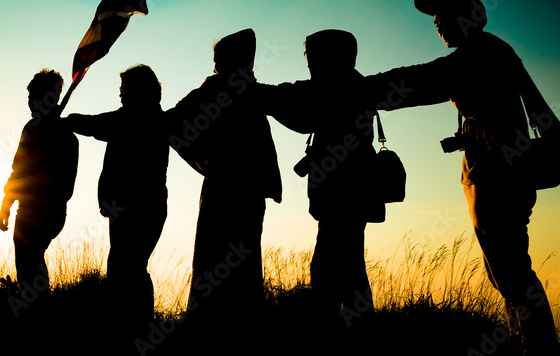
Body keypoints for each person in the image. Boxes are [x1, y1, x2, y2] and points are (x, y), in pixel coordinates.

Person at [365, 0, 557, 354]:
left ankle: (537, 347)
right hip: (495, 170)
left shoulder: (478, 56)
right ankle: (527, 342)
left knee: (510, 269)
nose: (436, 23)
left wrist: (362, 89)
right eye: (435, 19)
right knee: (508, 266)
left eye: (444, 16)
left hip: (497, 174)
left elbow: (420, 81)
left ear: (470, 18)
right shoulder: (489, 51)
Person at [166, 28, 283, 345]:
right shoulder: (248, 90)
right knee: (241, 265)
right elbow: (174, 123)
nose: (215, 62)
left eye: (218, 57)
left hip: (225, 189)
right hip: (246, 192)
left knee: (215, 262)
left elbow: (172, 121)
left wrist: (201, 158)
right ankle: (239, 336)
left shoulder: (220, 87)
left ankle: (211, 337)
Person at [264, 29, 384, 329]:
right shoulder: (353, 85)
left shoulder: (335, 86)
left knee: (343, 266)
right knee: (337, 264)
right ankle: (339, 330)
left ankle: (348, 332)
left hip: (340, 194)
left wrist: (250, 90)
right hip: (348, 194)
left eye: (312, 56)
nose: (308, 63)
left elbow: (292, 102)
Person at [65, 64, 169, 332]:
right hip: (142, 207)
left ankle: (132, 331)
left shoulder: (134, 118)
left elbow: (95, 124)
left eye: (125, 90)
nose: (121, 95)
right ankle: (136, 329)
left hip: (135, 208)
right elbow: (98, 125)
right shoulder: (154, 118)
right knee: (131, 268)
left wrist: (66, 120)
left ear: (139, 91)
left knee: (126, 269)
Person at [0, 69, 79, 311]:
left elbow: (66, 187)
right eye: (30, 97)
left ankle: (39, 314)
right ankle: (37, 312)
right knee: (27, 263)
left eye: (36, 96)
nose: (31, 102)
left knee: (30, 258)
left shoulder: (66, 136)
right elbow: (18, 171)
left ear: (50, 98)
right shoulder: (31, 129)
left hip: (49, 211)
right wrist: (6, 205)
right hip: (26, 209)